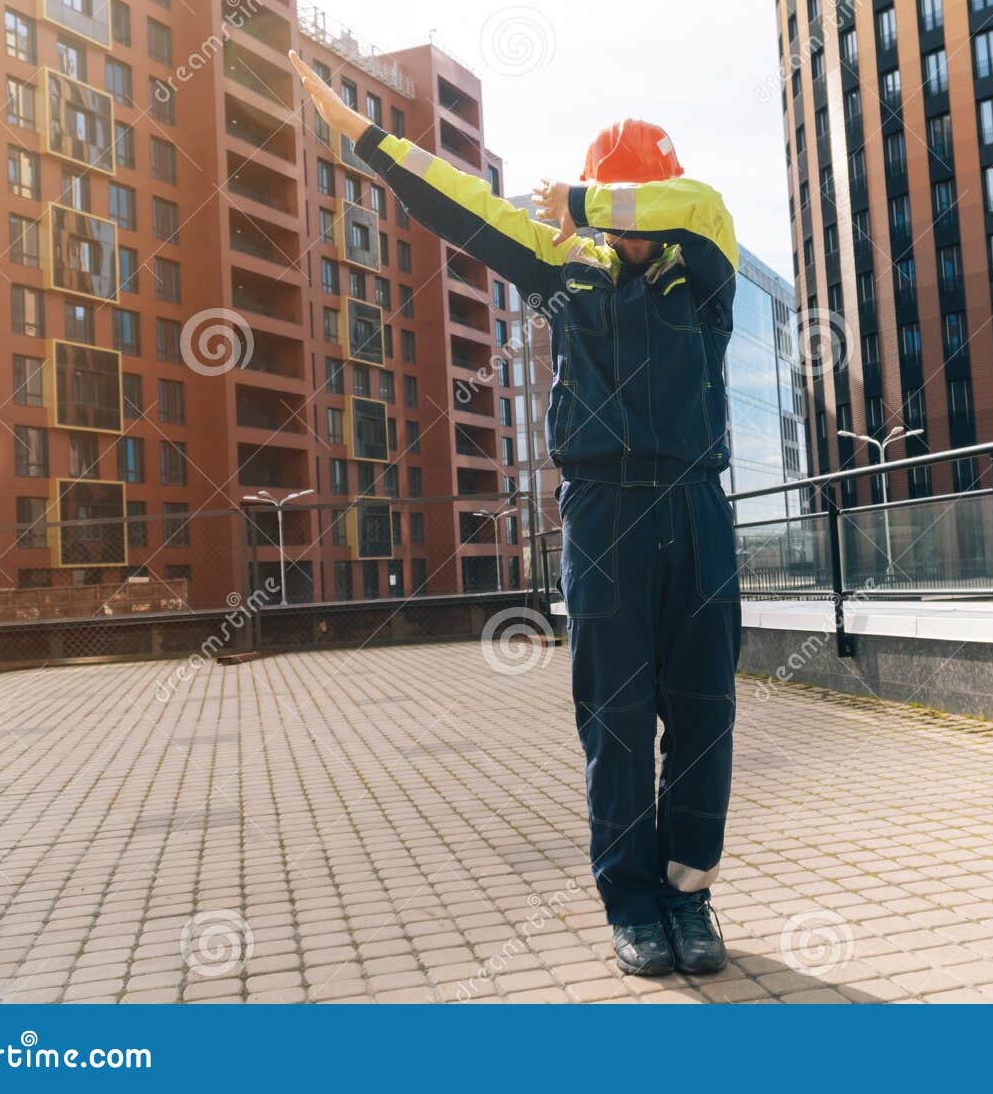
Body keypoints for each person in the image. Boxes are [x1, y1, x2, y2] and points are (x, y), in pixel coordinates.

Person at [289, 52, 741, 977]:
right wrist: (363, 134)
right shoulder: (563, 267)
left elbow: (696, 204)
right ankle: (631, 900)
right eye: (622, 202)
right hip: (603, 512)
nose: (634, 223)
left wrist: (584, 199)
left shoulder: (705, 264)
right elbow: (461, 202)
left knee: (705, 707)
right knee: (614, 717)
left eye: (636, 202)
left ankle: (690, 893)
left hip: (695, 504)